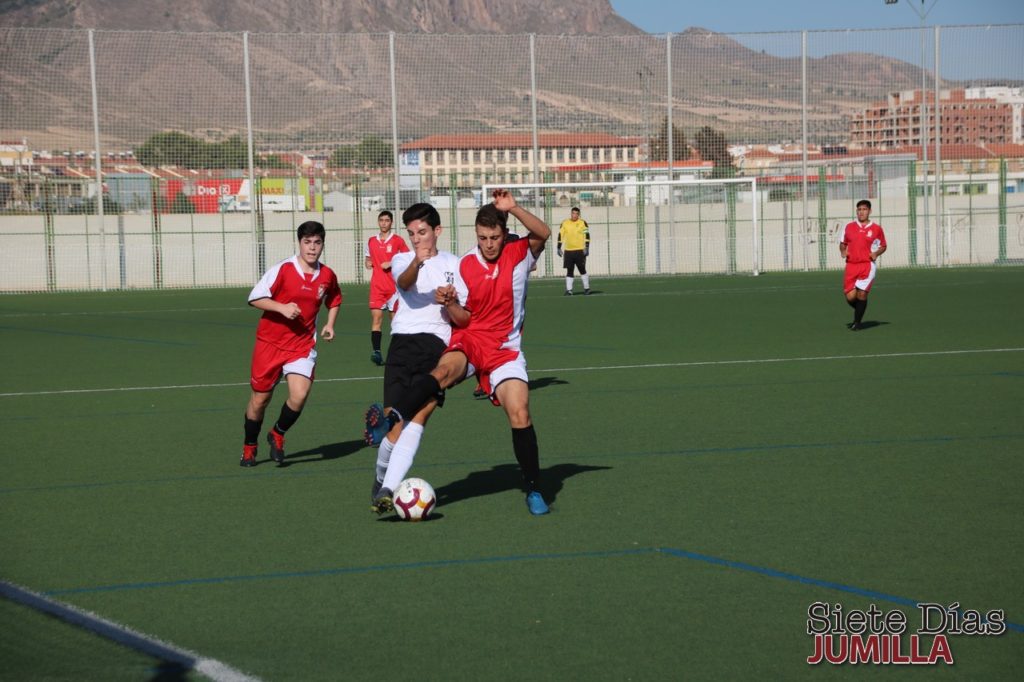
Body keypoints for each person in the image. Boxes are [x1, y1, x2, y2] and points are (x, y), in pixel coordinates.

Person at [376, 189, 552, 516]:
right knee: (442, 373)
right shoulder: (466, 265)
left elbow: (543, 233)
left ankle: (533, 488)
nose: (489, 244)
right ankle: (394, 415)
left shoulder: (519, 252)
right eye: (483, 237)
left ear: (505, 233)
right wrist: (452, 305)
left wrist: (513, 207)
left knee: (520, 413)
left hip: (506, 350)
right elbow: (464, 319)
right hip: (470, 339)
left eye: (495, 237)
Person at [364, 203, 468, 505]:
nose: (417, 239)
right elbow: (403, 283)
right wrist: (417, 263)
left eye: (422, 232)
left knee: (419, 416)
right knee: (393, 428)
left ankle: (386, 491)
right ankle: (382, 477)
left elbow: (464, 319)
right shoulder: (402, 259)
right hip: (402, 344)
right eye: (411, 234)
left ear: (437, 231)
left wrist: (450, 303)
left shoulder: (456, 264)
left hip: (436, 345)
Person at [241, 221, 342, 467]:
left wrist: (330, 324)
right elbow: (255, 297)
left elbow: (335, 298)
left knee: (299, 395)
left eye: (317, 242)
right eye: (307, 242)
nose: (312, 248)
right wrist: (281, 307)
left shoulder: (326, 275)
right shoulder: (283, 269)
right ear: (300, 243)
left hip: (301, 345)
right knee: (259, 400)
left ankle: (277, 433)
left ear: (322, 244)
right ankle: (249, 447)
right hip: (270, 344)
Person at [364, 210, 409, 365]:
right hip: (377, 287)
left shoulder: (397, 240)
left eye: (387, 220)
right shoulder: (371, 241)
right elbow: (368, 258)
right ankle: (376, 352)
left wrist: (391, 263)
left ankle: (398, 353)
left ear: (391, 222)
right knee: (376, 319)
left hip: (393, 288)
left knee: (396, 321)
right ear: (378, 222)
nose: (384, 223)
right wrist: (368, 263)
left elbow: (407, 258)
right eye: (381, 220)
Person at [839, 199, 887, 331]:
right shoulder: (849, 227)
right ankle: (861, 308)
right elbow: (843, 243)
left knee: (862, 295)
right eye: (859, 209)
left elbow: (883, 246)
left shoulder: (876, 229)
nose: (861, 212)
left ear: (869, 211)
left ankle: (857, 322)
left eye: (864, 209)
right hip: (851, 265)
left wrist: (876, 253)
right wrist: (843, 251)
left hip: (867, 265)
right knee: (850, 297)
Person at [557, 206, 591, 295]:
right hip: (568, 251)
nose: (574, 215)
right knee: (569, 270)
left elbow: (587, 235)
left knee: (582, 269)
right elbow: (561, 235)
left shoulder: (583, 223)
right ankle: (569, 290)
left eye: (576, 214)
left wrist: (586, 247)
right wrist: (558, 247)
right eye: (573, 213)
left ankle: (587, 289)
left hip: (580, 250)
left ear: (579, 215)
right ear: (571, 213)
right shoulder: (565, 223)